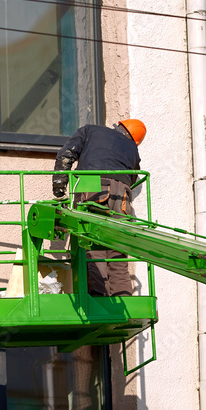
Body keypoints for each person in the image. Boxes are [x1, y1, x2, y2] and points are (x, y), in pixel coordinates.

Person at [52, 119, 147, 297]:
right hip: (122, 196)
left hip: (93, 186)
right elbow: (133, 177)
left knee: (92, 245)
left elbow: (66, 154)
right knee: (117, 251)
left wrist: (59, 187)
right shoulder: (132, 149)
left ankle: (98, 298)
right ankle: (123, 298)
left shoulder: (90, 131)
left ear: (119, 126)